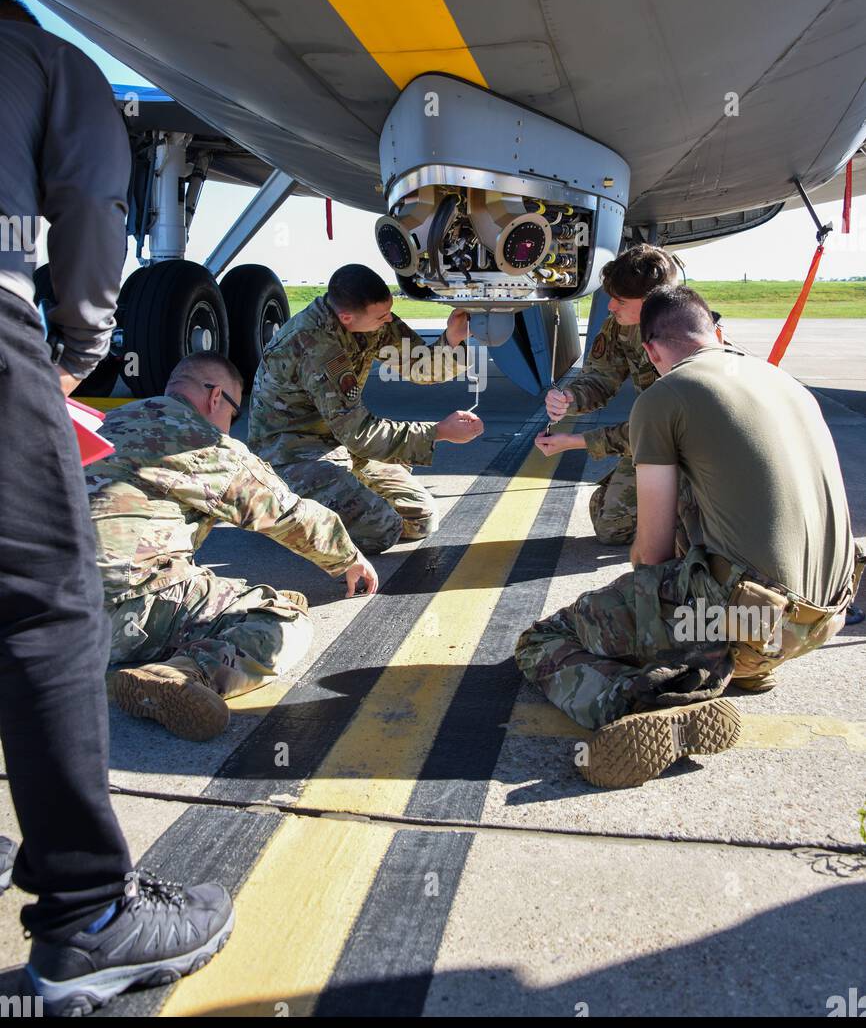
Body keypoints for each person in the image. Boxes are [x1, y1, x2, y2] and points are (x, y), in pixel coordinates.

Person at [0, 0, 233, 1015]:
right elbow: (93, 225)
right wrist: (73, 359)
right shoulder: (49, 63)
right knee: (45, 612)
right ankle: (91, 913)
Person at [515, 285, 863, 790]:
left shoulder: (665, 397)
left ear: (652, 351)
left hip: (744, 618)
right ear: (715, 332)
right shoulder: (784, 381)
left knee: (543, 640)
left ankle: (656, 696)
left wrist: (647, 614)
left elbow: (651, 552)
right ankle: (740, 664)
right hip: (827, 613)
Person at [89, 352, 379, 741]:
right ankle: (180, 675)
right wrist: (347, 558)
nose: (231, 425)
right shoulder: (201, 441)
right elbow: (285, 512)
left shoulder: (108, 422)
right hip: (105, 617)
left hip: (28, 609)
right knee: (282, 619)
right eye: (233, 412)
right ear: (216, 398)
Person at [248, 263, 484, 552]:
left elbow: (419, 366)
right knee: (381, 529)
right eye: (382, 316)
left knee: (419, 518)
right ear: (346, 316)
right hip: (293, 453)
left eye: (388, 312)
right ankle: (274, 503)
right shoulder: (316, 346)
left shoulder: (371, 323)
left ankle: (327, 502)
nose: (389, 321)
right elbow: (357, 431)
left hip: (339, 445)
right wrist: (437, 432)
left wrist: (453, 338)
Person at [536, 244, 679, 543]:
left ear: (653, 301)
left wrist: (576, 441)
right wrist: (570, 398)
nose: (611, 307)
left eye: (620, 300)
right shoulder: (621, 326)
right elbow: (601, 378)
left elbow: (659, 432)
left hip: (696, 449)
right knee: (612, 525)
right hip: (653, 441)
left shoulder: (685, 338)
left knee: (693, 536)